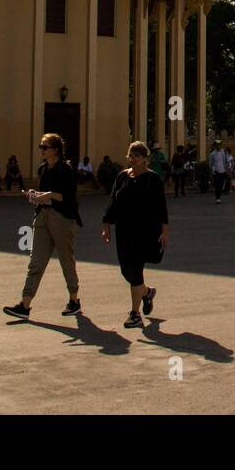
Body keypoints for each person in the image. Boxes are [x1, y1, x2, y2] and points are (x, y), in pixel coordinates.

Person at [3, 133, 83, 321]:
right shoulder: (43, 169)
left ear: (56, 150)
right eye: (41, 146)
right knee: (36, 262)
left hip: (62, 217)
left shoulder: (65, 169)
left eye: (45, 147)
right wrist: (35, 195)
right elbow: (44, 194)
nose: (42, 150)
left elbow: (68, 197)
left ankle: (74, 300)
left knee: (66, 260)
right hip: (42, 216)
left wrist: (49, 195)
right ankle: (25, 305)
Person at [101, 140, 169, 329]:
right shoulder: (122, 177)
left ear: (145, 158)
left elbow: (161, 207)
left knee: (136, 269)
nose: (133, 159)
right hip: (124, 230)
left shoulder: (152, 179)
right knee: (127, 271)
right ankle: (146, 292)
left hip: (145, 231)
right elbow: (112, 201)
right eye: (130, 156)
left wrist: (165, 231)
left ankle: (134, 313)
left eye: (137, 156)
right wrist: (106, 224)